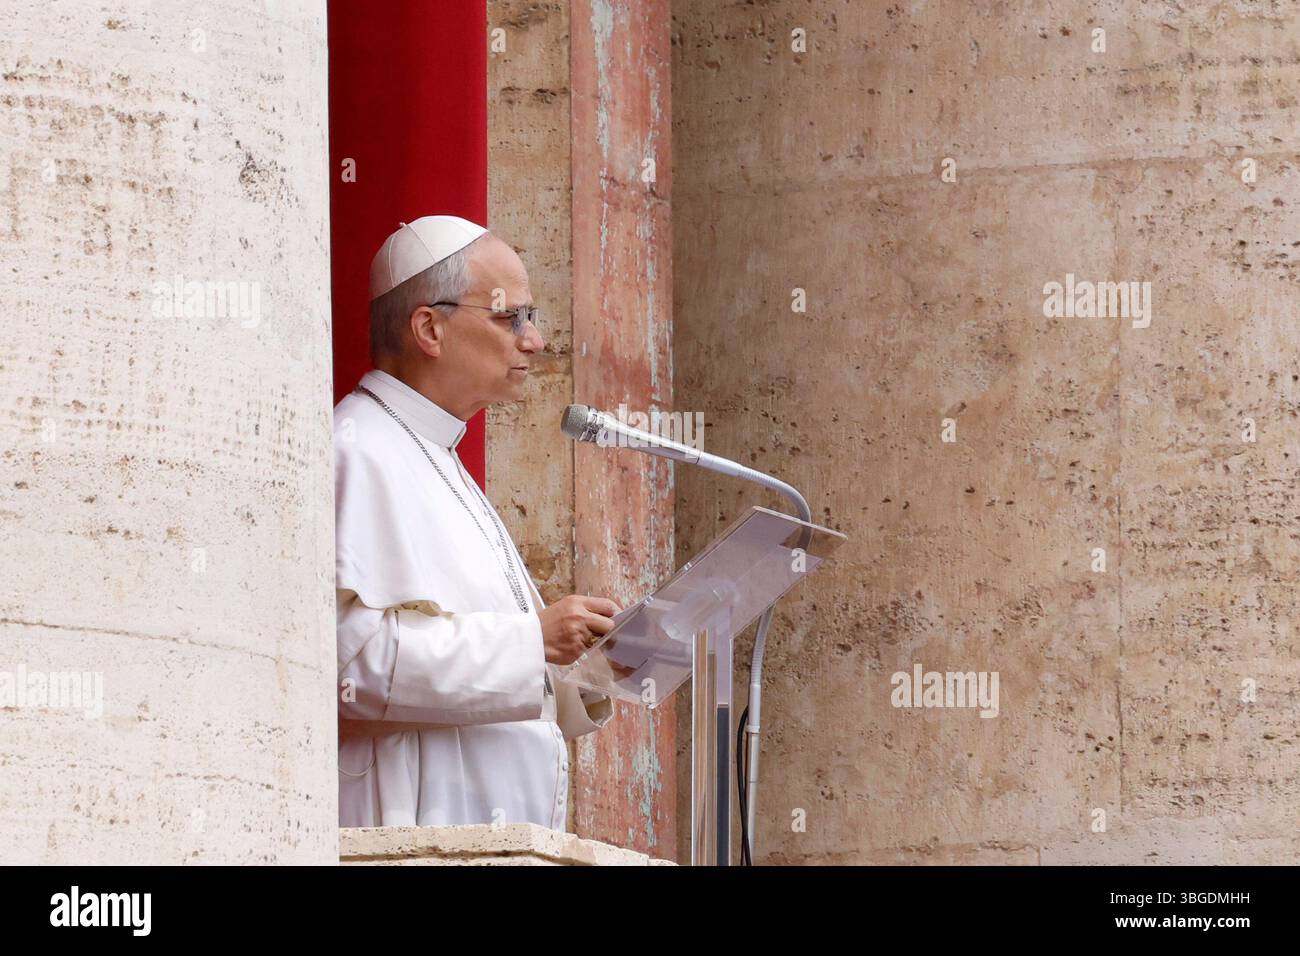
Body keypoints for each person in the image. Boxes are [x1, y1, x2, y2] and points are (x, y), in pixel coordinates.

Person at [335, 215, 618, 828]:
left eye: (531, 317)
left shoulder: (438, 457)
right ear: (429, 328)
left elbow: (502, 671)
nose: (534, 340)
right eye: (508, 317)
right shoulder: (356, 449)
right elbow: (346, 667)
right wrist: (533, 641)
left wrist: (589, 665)